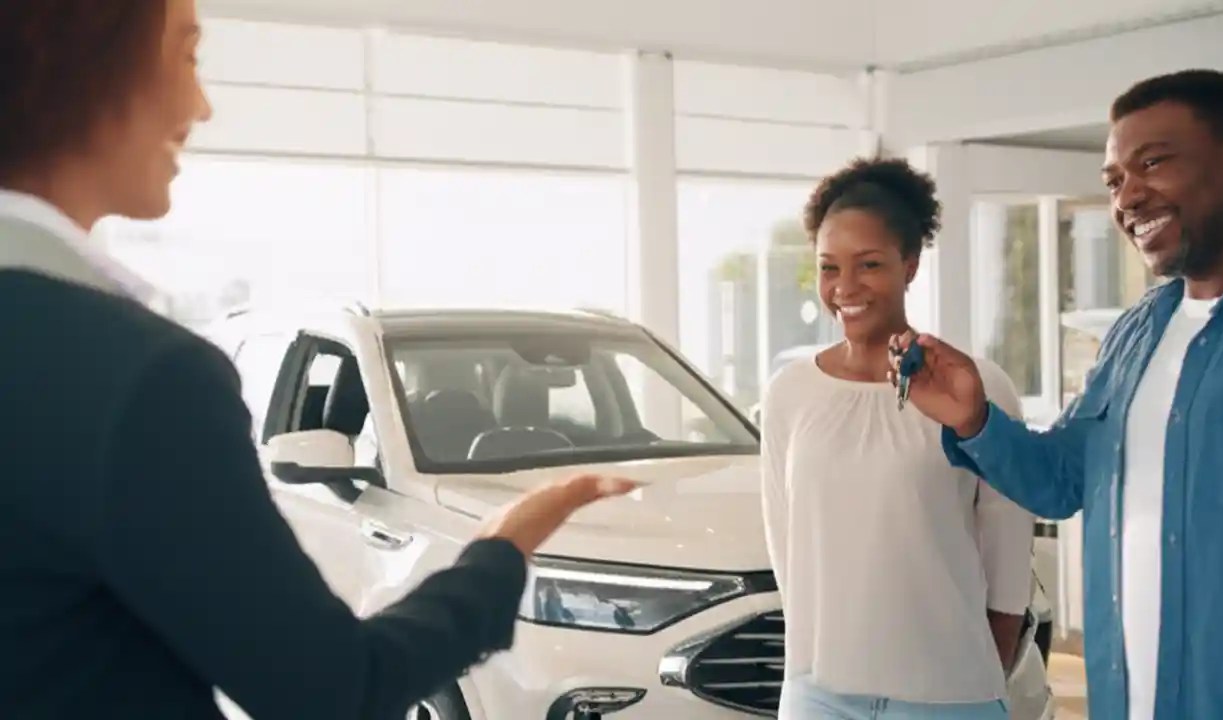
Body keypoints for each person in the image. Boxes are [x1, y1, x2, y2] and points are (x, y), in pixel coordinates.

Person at [0, 1, 635, 718]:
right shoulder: (139, 379)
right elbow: (335, 691)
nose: (200, 106)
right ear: (84, 62)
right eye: (187, 55)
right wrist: (500, 553)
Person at [892, 69, 1223, 719]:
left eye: (1152, 163)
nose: (1127, 197)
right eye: (1113, 181)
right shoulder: (1136, 333)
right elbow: (1062, 481)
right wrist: (973, 416)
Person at [761, 158, 1035, 720]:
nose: (845, 287)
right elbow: (786, 550)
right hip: (818, 695)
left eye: (870, 265)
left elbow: (1008, 564)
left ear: (909, 266)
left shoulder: (976, 386)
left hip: (951, 694)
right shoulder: (790, 392)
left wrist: (978, 679)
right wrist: (805, 670)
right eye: (829, 267)